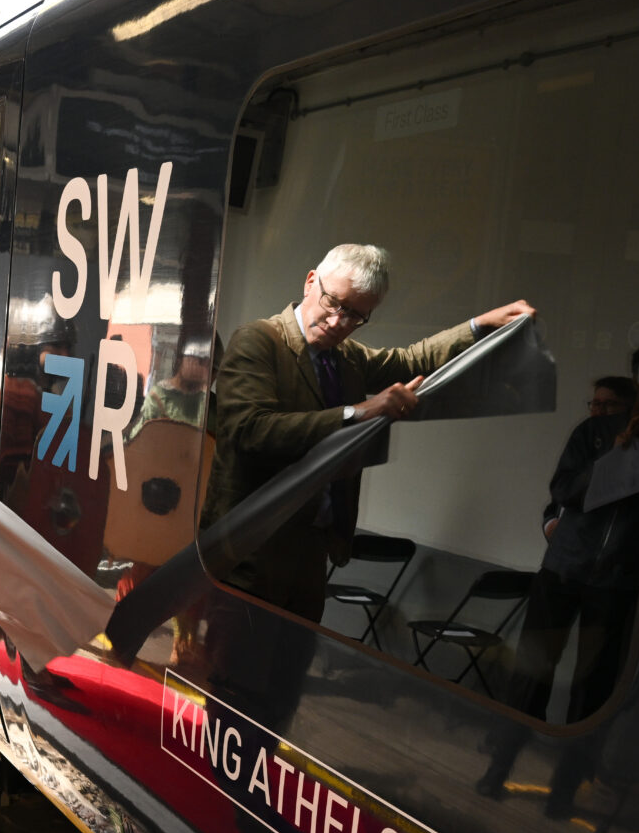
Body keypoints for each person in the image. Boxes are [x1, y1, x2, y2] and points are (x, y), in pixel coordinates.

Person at [201, 243, 534, 621]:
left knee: (288, 670)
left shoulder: (346, 358)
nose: (338, 322)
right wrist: (357, 412)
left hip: (311, 549)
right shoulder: (258, 341)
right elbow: (250, 430)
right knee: (230, 669)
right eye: (334, 303)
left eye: (356, 316)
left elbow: (413, 361)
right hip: (250, 549)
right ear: (311, 281)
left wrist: (480, 324)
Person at [477, 342, 639, 807]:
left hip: (618, 579)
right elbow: (565, 491)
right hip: (564, 569)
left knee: (593, 686)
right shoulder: (594, 433)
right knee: (532, 671)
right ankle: (498, 767)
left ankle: (563, 790)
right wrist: (614, 451)